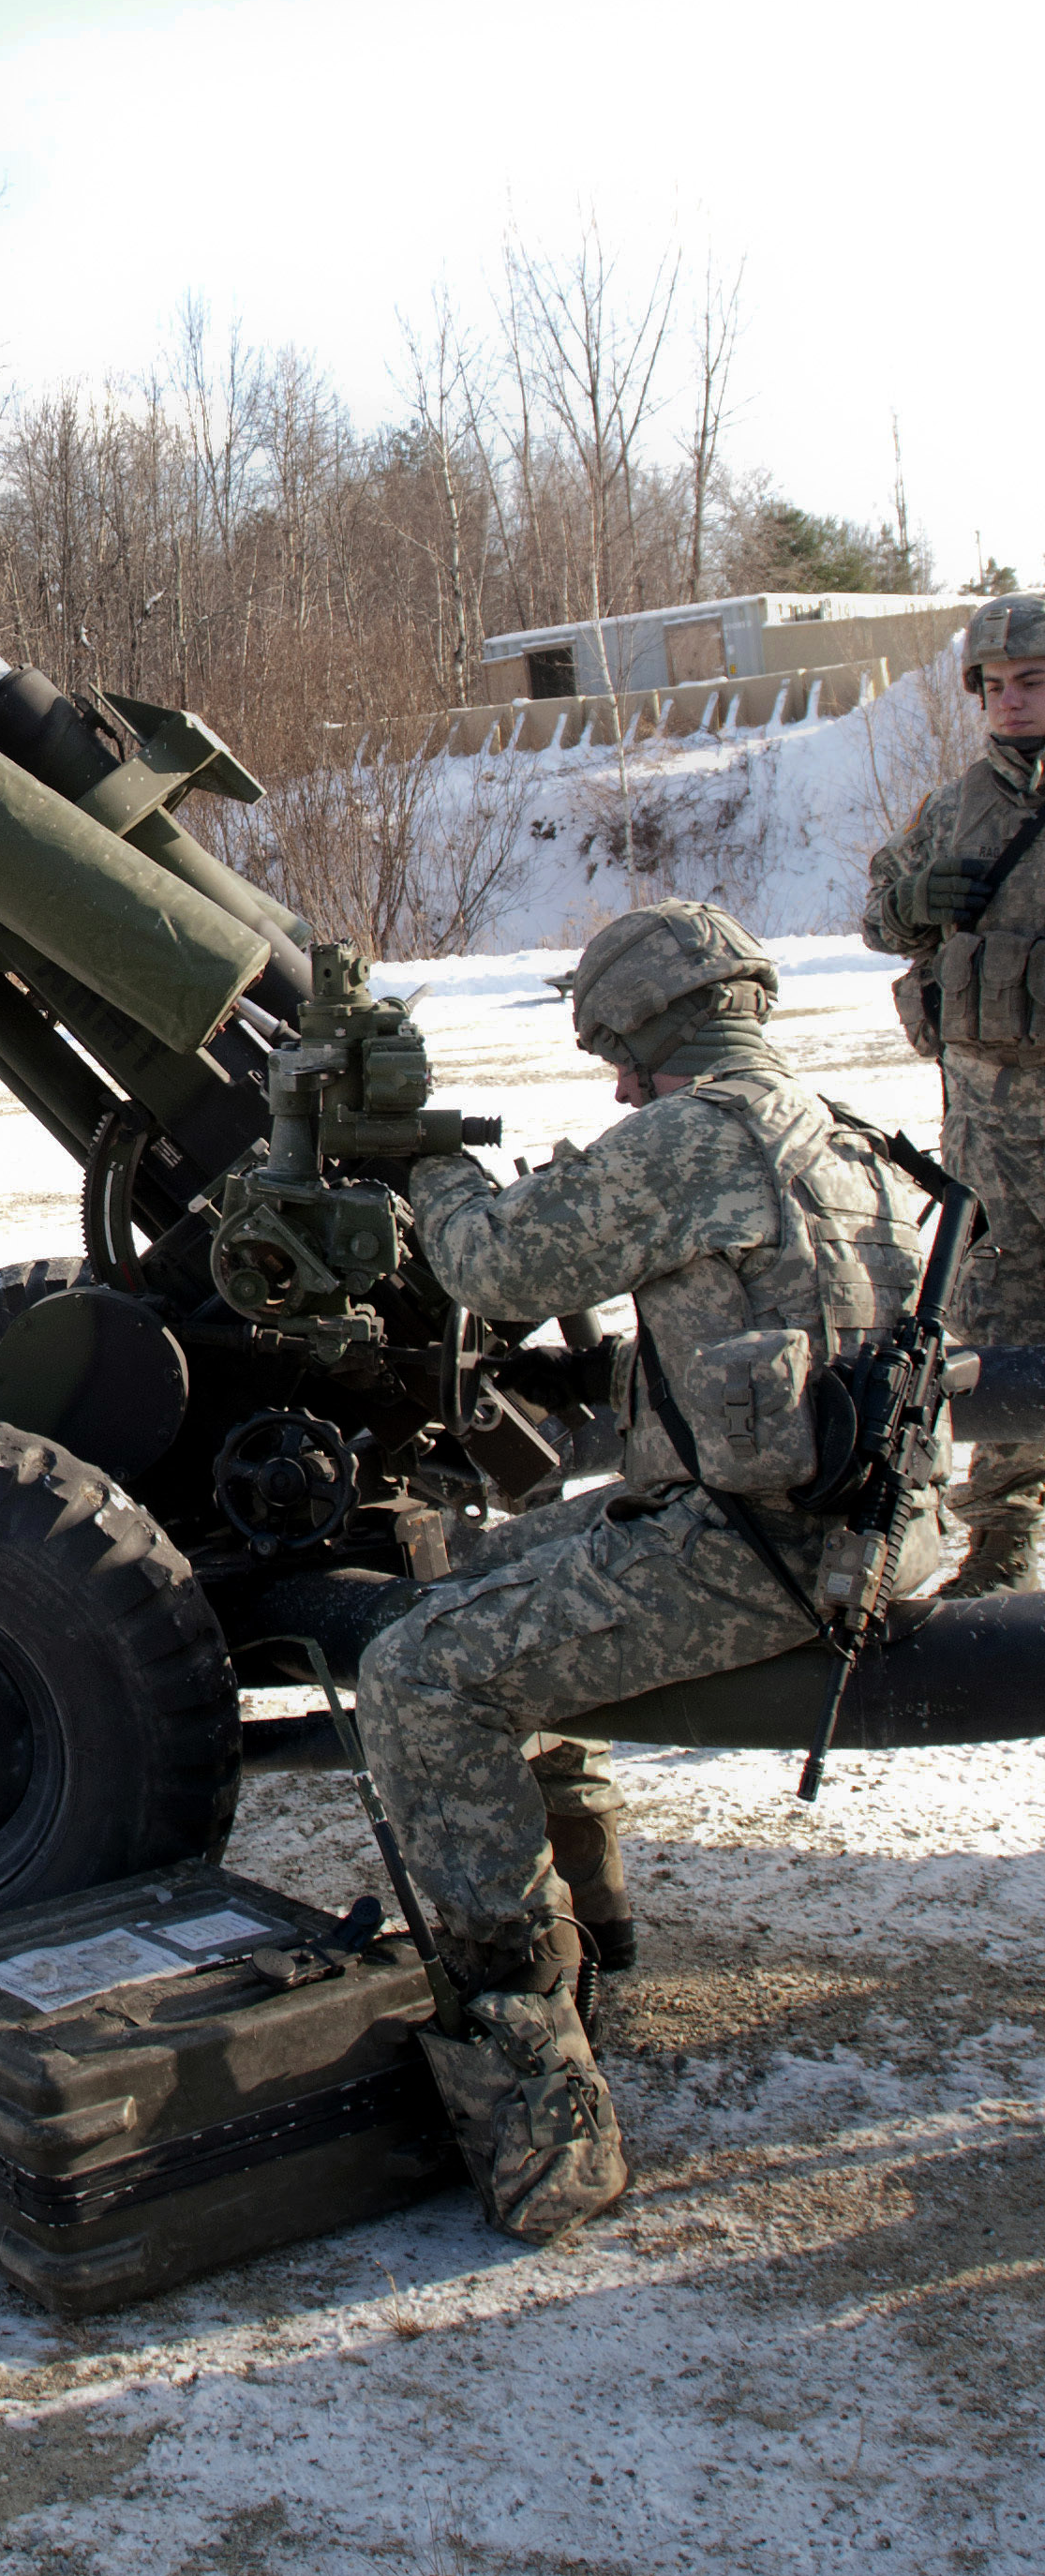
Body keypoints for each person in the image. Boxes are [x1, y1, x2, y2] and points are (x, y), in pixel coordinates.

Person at [352, 900, 949, 2243]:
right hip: (838, 1528)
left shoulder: (695, 1139)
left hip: (759, 1556)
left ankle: (535, 2088)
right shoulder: (840, 1138)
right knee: (475, 1591)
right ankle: (593, 1929)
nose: (614, 1084)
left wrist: (424, 1158)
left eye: (616, 1050)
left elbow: (493, 1268)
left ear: (661, 1031)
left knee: (419, 1675)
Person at [862, 592, 1045, 1595]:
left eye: (1032, 682)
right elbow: (878, 914)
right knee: (997, 1327)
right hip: (990, 1133)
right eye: (996, 686)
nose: (1010, 703)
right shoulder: (955, 807)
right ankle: (1005, 1529)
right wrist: (911, 904)